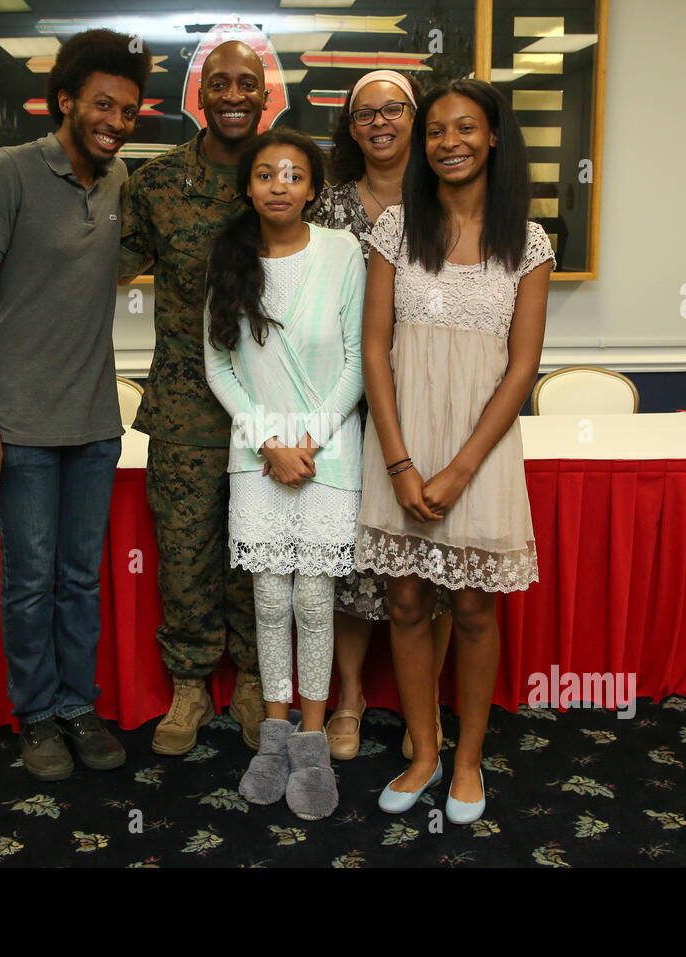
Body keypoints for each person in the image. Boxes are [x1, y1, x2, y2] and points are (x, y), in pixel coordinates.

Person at [0, 29, 152, 781]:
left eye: (129, 110)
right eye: (103, 104)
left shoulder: (119, 181)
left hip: (96, 422)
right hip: (23, 424)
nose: (116, 120)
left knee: (80, 579)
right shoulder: (6, 174)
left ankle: (76, 705)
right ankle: (34, 714)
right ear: (65, 100)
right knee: (29, 578)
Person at [356, 78, 554, 824]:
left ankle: (469, 757)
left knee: (472, 606)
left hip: (481, 449)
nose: (449, 142)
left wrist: (463, 464)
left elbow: (522, 367)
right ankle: (423, 750)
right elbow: (375, 351)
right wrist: (402, 463)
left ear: (495, 137)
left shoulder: (528, 242)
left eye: (465, 128)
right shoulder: (394, 230)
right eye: (435, 130)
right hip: (402, 444)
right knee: (405, 600)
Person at [117, 41, 275, 755]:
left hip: (275, 410)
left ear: (264, 94)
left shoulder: (287, 175)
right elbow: (96, 268)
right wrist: (8, 299)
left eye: (248, 82)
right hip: (185, 410)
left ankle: (250, 679)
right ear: (199, 97)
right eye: (221, 83)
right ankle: (187, 685)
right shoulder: (155, 184)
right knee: (184, 555)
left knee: (258, 556)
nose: (235, 94)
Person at [203, 130, 365, 820]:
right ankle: (272, 735)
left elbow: (360, 358)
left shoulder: (343, 251)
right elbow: (220, 364)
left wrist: (310, 438)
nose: (278, 185)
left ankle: (312, 737)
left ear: (313, 189)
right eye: (265, 174)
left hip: (328, 453)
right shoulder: (230, 255)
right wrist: (270, 441)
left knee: (312, 600)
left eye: (293, 175)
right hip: (258, 454)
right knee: (269, 599)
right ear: (248, 187)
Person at [306, 70, 454, 762]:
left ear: (415, 117)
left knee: (436, 558)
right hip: (345, 405)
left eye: (394, 109)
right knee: (349, 562)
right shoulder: (326, 206)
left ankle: (425, 707)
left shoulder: (447, 202)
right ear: (351, 127)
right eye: (366, 113)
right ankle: (351, 697)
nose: (381, 122)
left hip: (430, 399)